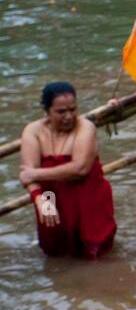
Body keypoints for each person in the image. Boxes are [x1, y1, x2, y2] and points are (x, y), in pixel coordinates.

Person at [18, 82, 116, 260]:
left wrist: (34, 174)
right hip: (51, 203)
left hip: (90, 203)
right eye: (61, 112)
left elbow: (80, 168)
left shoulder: (85, 127)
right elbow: (27, 173)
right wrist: (39, 199)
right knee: (56, 256)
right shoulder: (33, 131)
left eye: (73, 109)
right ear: (47, 111)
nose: (69, 116)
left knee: (98, 256)